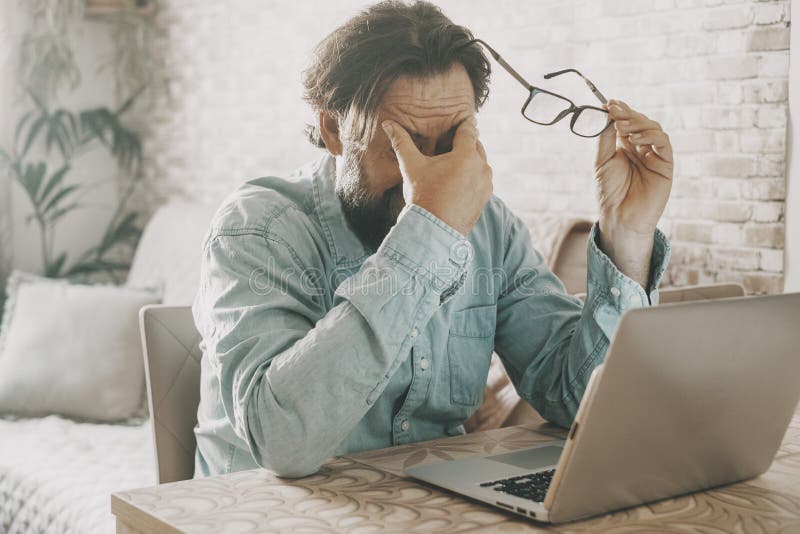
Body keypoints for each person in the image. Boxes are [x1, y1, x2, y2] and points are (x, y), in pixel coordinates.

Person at [192, 0, 672, 478]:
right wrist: (429, 230)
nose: (431, 178)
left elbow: (577, 398)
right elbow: (281, 443)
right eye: (407, 146)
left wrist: (626, 234)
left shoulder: (490, 227)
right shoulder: (257, 228)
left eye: (450, 145)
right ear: (335, 129)